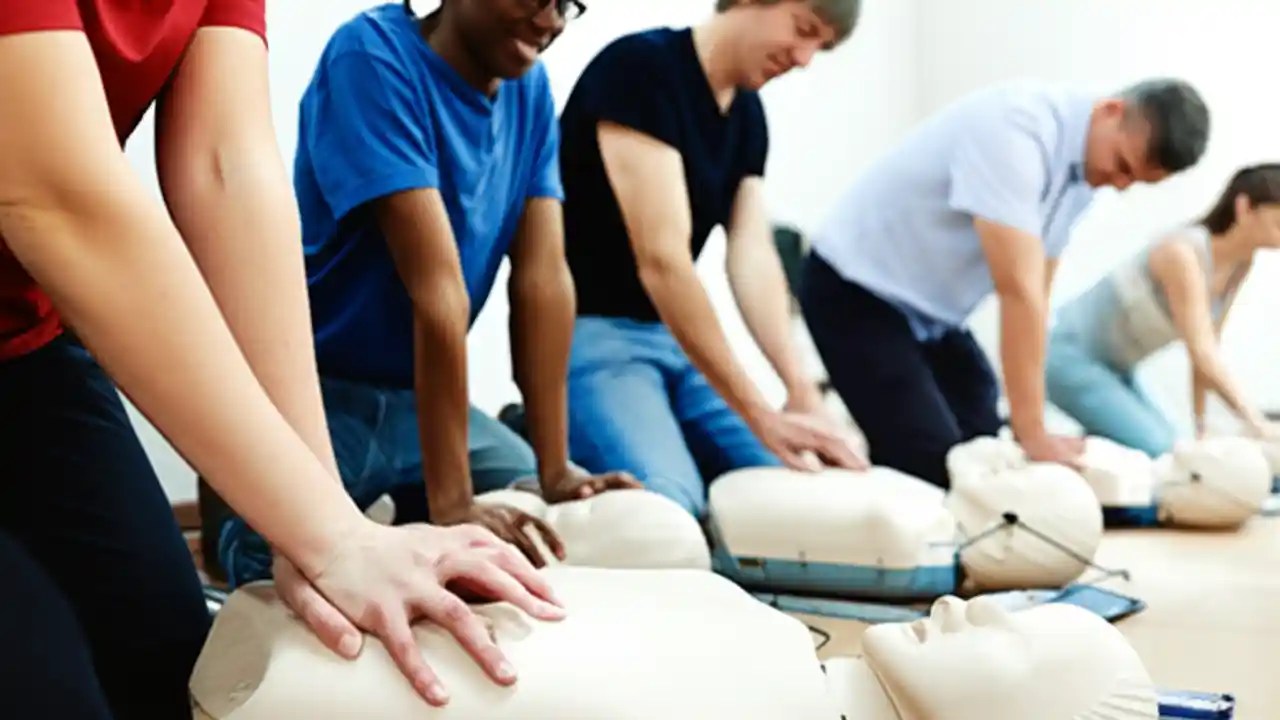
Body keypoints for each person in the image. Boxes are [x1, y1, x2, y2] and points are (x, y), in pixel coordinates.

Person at [0, 1, 567, 715]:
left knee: (168, 661)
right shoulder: (375, 55)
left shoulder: (531, 96)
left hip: (22, 341)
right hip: (325, 375)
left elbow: (225, 168)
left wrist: (323, 524)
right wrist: (329, 534)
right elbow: (54, 193)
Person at [217, 0, 641, 589]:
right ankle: (238, 494)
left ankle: (411, 509)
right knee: (280, 555)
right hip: (319, 388)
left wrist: (554, 468)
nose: (552, 22)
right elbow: (438, 291)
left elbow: (544, 281)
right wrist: (453, 502)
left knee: (526, 510)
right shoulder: (370, 55)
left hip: (418, 397)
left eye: (568, 4)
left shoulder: (531, 91)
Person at [802, 78, 1211, 487]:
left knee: (987, 449)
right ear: (1111, 111)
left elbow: (1039, 290)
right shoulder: (1016, 131)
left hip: (935, 319)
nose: (1119, 184)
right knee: (935, 462)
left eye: (1135, 181)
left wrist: (1028, 429)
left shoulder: (1083, 177)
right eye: (1122, 165)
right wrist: (1033, 432)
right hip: (854, 292)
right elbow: (1019, 291)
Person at [556, 0, 867, 519]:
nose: (806, 58)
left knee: (792, 490)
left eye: (822, 47)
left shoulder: (746, 113)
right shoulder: (640, 69)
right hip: (593, 333)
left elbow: (753, 256)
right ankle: (544, 429)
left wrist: (801, 393)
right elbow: (663, 262)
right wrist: (757, 412)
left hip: (680, 344)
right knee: (671, 508)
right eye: (804, 29)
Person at [1046, 164, 1280, 456]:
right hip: (1068, 358)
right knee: (1164, 451)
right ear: (1245, 207)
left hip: (1115, 370)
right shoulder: (1181, 253)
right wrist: (1257, 422)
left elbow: (1208, 353)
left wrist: (1200, 427)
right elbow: (1202, 353)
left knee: (1181, 444)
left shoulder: (1240, 265)